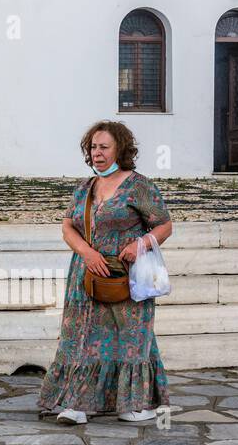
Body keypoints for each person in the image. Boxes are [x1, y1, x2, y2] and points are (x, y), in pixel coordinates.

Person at [38, 120, 173, 425]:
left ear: (120, 149)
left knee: (131, 338)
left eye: (104, 147)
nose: (96, 153)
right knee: (81, 336)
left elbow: (164, 225)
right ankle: (76, 405)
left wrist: (141, 244)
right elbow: (67, 226)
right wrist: (87, 253)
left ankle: (132, 405)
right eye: (93, 147)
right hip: (87, 275)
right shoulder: (86, 187)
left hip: (127, 276)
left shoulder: (139, 186)